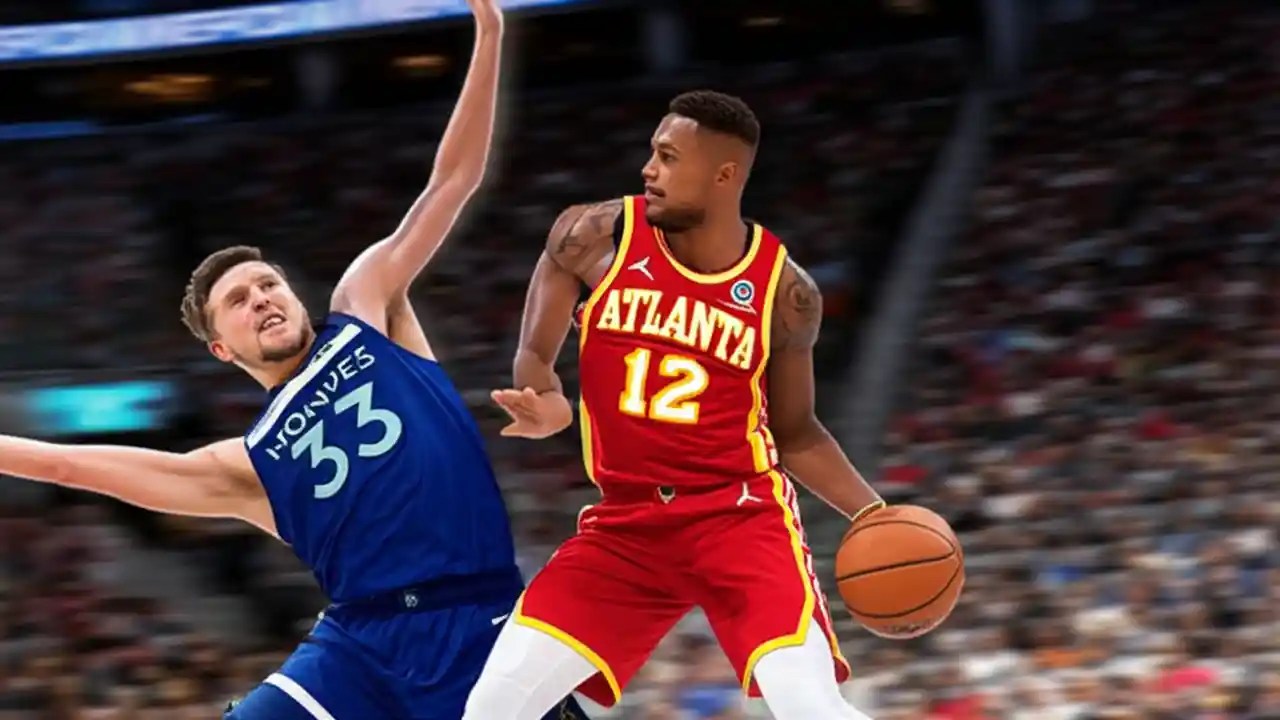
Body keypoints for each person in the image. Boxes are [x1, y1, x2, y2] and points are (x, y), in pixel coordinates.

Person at [0, 2, 590, 719]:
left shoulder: (367, 308)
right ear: (222, 348)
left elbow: (451, 181)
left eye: (268, 284)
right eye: (239, 302)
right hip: (359, 647)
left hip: (480, 621)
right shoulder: (242, 465)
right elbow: (66, 466)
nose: (262, 299)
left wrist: (491, 31)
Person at [472, 90, 885, 720]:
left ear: (725, 176)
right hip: (628, 526)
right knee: (491, 707)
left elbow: (796, 434)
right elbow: (539, 336)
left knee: (810, 707)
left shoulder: (785, 292)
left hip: (740, 520)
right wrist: (548, 396)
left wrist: (873, 513)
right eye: (651, 153)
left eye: (667, 156)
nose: (648, 169)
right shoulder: (594, 236)